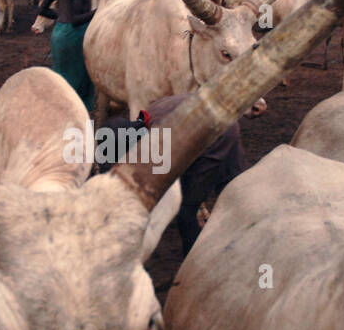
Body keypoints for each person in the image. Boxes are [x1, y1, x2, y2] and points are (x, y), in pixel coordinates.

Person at [93, 95, 247, 259]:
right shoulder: (147, 117)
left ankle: (193, 263)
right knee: (236, 188)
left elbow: (164, 184)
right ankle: (242, 240)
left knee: (187, 211)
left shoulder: (160, 137)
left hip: (217, 133)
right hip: (220, 118)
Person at [33, 0, 96, 111]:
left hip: (59, 34)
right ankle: (79, 120)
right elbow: (77, 20)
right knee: (80, 83)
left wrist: (61, 15)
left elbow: (43, 9)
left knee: (62, 81)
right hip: (75, 38)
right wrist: (98, 12)